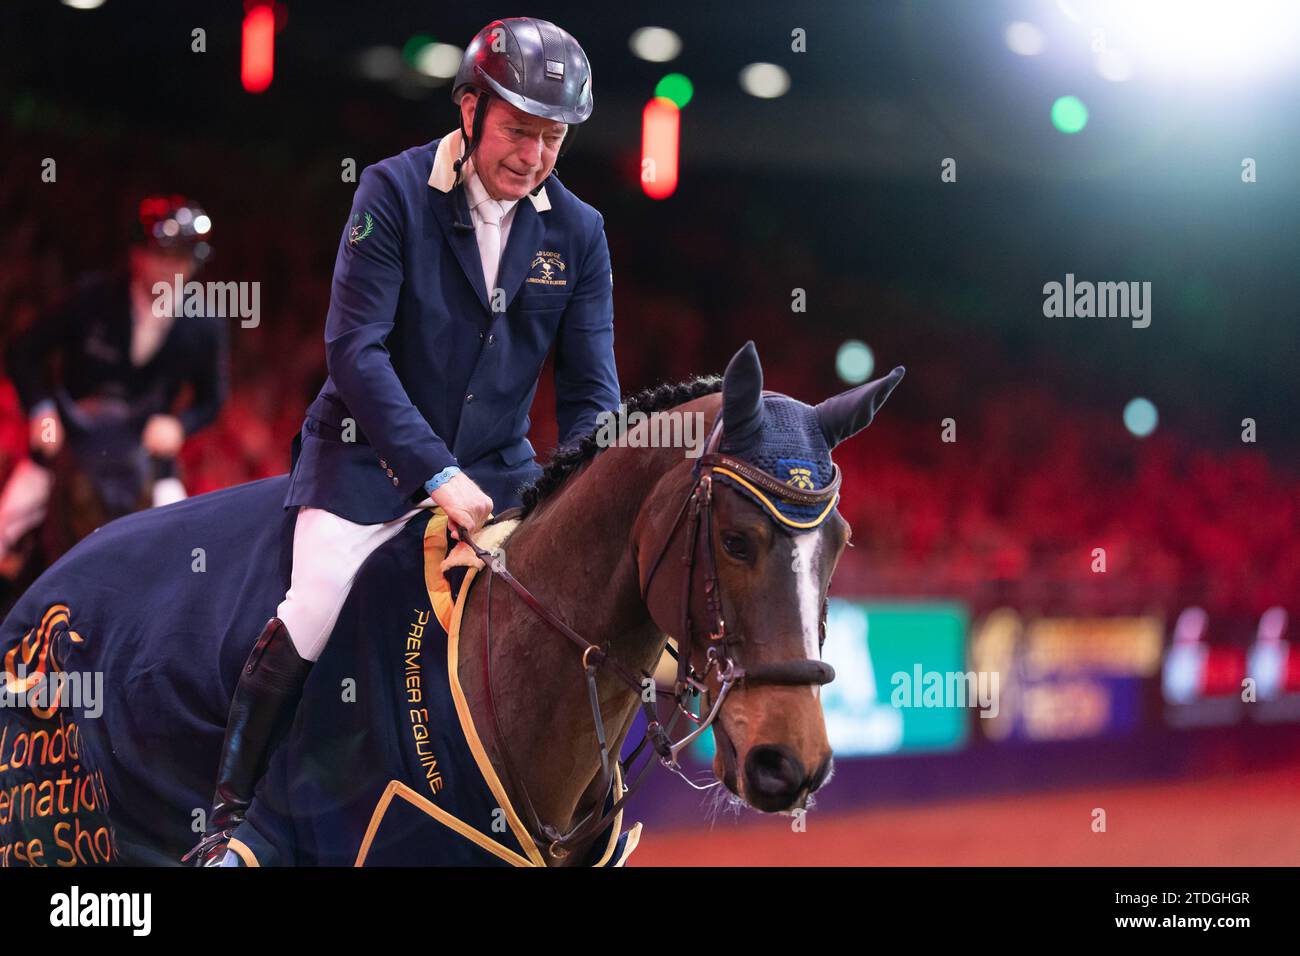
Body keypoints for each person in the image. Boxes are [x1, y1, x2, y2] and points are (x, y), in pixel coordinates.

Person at [186, 17, 620, 865]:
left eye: (553, 137)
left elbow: (591, 392)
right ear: (469, 109)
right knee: (314, 606)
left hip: (503, 473)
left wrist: (583, 492)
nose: (533, 155)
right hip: (364, 461)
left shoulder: (581, 233)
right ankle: (235, 827)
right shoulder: (389, 192)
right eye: (519, 131)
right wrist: (436, 473)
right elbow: (355, 350)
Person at [0, 195, 226, 565]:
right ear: (137, 254)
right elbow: (23, 351)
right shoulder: (90, 298)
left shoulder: (205, 324)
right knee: (5, 534)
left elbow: (212, 398)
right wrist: (41, 411)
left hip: (146, 456)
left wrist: (179, 425)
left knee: (185, 559)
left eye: (184, 261)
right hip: (70, 442)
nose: (175, 271)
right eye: (165, 258)